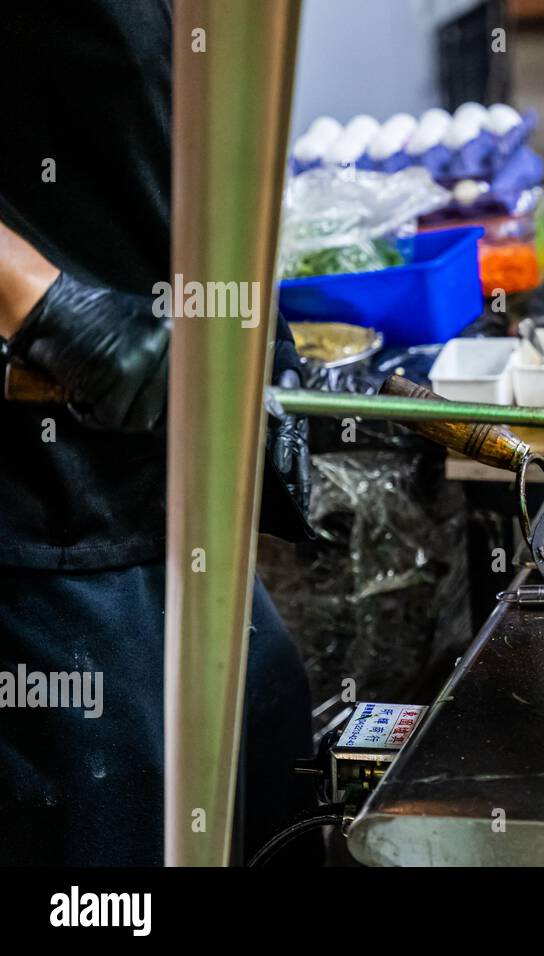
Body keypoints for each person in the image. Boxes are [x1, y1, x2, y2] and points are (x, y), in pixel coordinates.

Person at [0, 1, 316, 865]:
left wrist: (260, 357)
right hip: (45, 537)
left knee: (277, 803)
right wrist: (42, 308)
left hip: (174, 497)